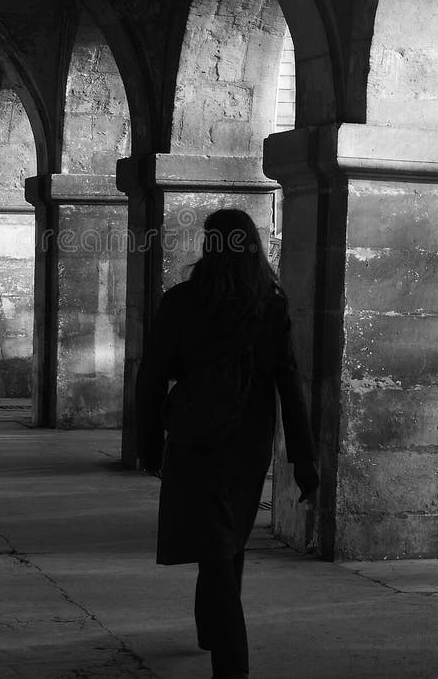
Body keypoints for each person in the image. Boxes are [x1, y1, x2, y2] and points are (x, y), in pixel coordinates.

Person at [136, 208, 319, 679]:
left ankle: (230, 661)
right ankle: (212, 631)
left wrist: (148, 441)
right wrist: (303, 458)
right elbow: (289, 384)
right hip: (248, 441)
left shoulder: (181, 302)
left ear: (209, 246)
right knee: (227, 537)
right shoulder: (269, 306)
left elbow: (152, 376)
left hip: (196, 438)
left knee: (215, 540)